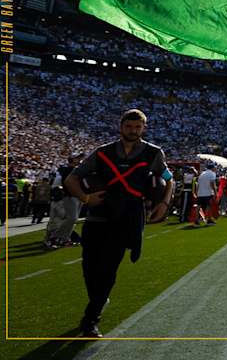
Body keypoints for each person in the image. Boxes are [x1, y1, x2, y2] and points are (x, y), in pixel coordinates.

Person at [63, 109, 172, 338]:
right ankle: (100, 299)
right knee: (89, 269)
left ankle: (90, 320)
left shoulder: (153, 153)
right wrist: (85, 198)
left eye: (137, 127)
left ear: (144, 128)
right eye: (129, 126)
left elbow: (169, 180)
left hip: (127, 219)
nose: (133, 131)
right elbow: (72, 178)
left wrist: (163, 203)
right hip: (97, 217)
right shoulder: (103, 153)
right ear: (121, 126)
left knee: (108, 270)